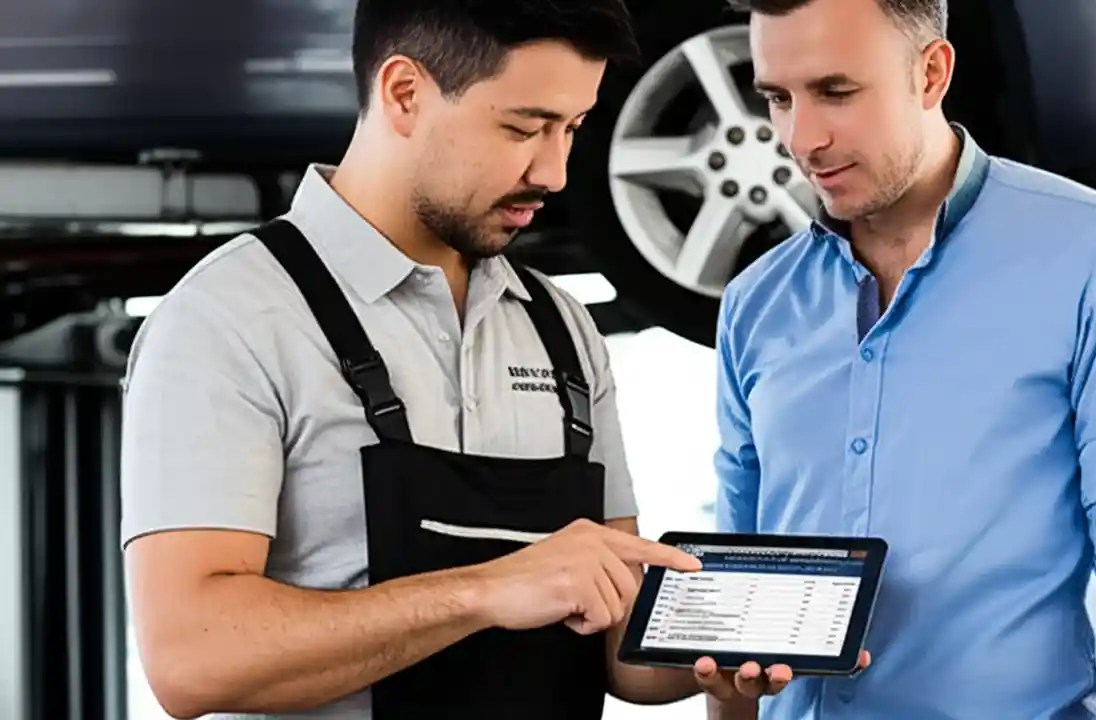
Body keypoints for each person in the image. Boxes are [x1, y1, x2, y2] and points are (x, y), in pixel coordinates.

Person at [120, 1, 826, 718]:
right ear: (404, 93)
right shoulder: (229, 319)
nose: (553, 171)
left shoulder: (560, 326)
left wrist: (723, 648)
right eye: (523, 127)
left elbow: (619, 644)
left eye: (573, 128)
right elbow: (191, 659)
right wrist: (486, 591)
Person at [711, 0, 1096, 718]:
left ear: (931, 73)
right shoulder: (754, 303)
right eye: (777, 98)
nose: (802, 138)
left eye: (836, 92)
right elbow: (734, 581)